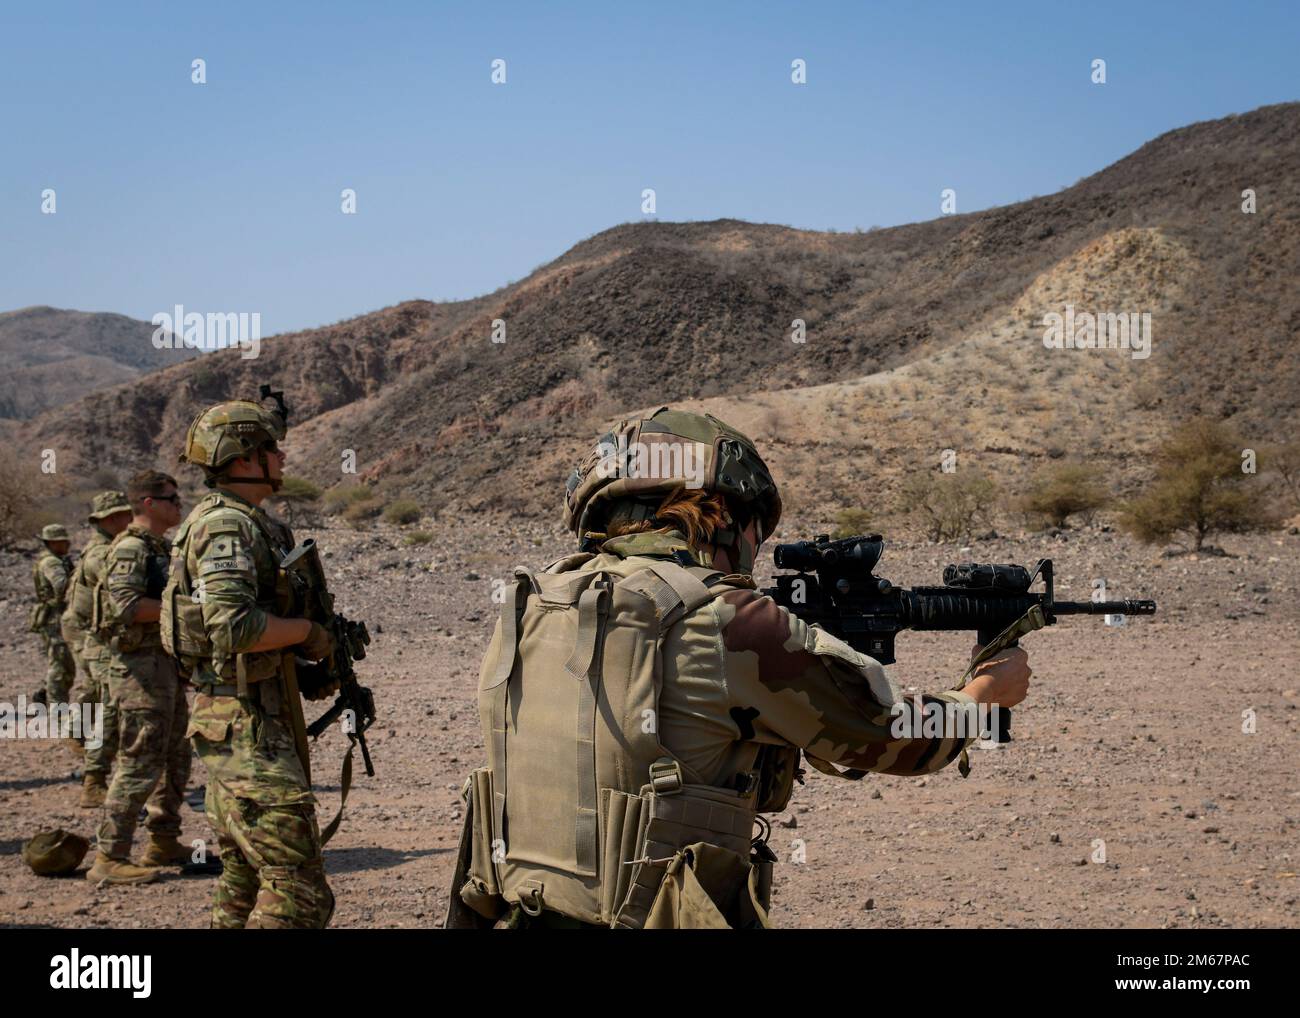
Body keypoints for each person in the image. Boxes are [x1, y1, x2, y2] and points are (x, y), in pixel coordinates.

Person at [445, 407, 1032, 929]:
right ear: (721, 512)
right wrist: (983, 696)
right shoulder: (722, 616)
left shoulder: (532, 604)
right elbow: (890, 739)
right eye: (754, 525)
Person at [165, 396, 337, 928]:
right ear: (243, 459)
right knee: (299, 894)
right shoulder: (226, 528)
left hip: (250, 719)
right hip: (246, 729)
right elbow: (233, 626)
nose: (282, 459)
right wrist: (310, 633)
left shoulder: (255, 523)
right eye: (271, 449)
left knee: (243, 879)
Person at [86, 470, 189, 884]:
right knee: (140, 759)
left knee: (176, 756)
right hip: (138, 671)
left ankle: (163, 840)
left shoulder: (156, 546)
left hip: (163, 666)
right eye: (171, 498)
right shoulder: (130, 548)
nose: (179, 504)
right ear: (148, 503)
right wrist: (184, 610)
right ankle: (110, 856)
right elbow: (127, 606)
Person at [61, 490, 132, 806]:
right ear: (111, 519)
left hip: (94, 638)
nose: (130, 520)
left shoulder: (102, 548)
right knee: (110, 707)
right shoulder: (102, 554)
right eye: (124, 515)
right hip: (97, 640)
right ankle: (95, 780)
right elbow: (124, 594)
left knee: (99, 698)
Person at [30, 524, 74, 708]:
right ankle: (56, 706)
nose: (67, 544)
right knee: (60, 663)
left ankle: (47, 695)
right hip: (54, 618)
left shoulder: (57, 559)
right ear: (53, 543)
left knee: (64, 663)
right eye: (63, 541)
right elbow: (62, 585)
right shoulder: (51, 562)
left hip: (56, 616)